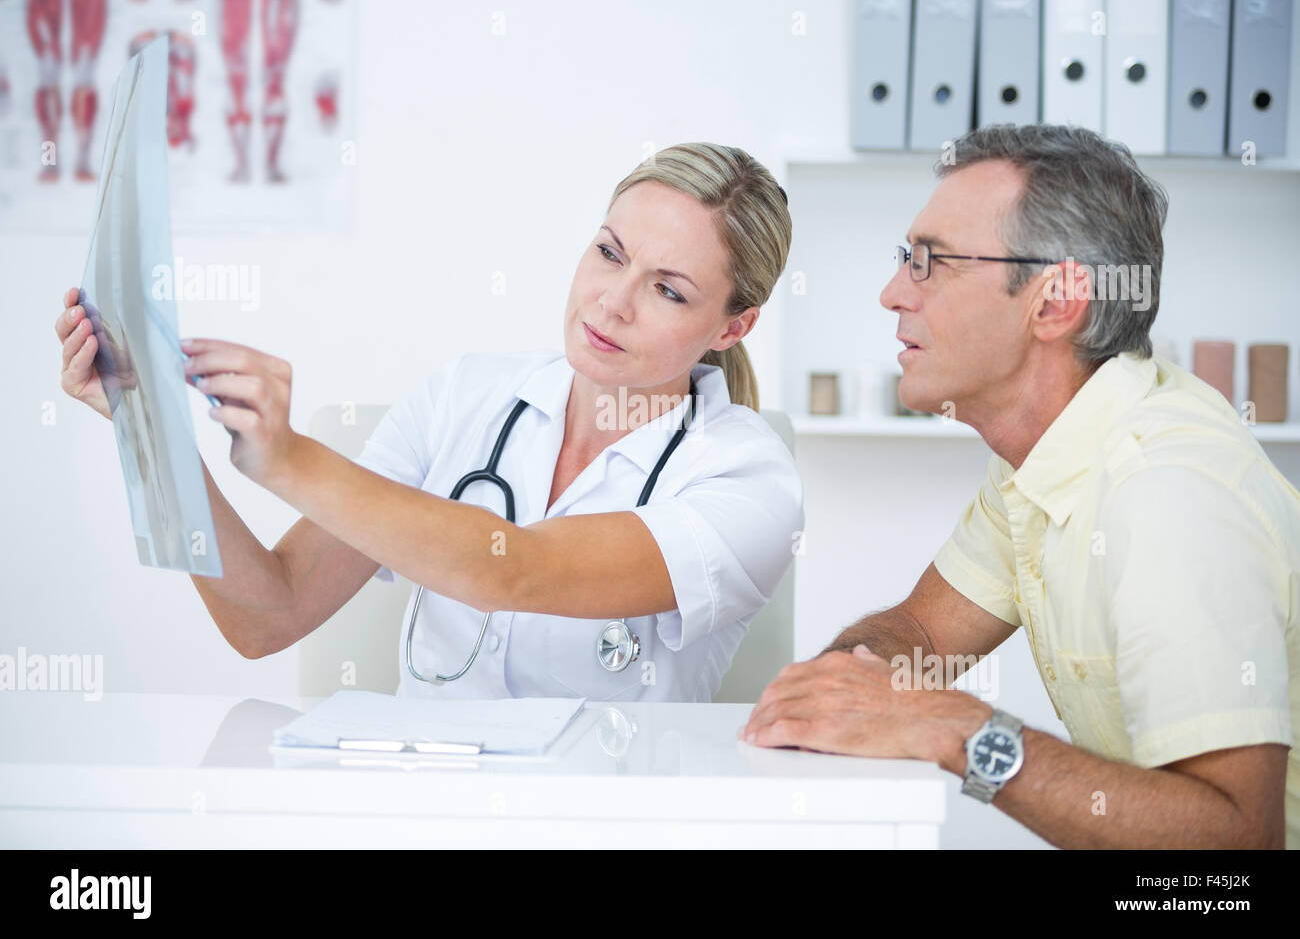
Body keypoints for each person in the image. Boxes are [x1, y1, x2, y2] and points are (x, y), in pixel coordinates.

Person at [56, 141, 804, 703]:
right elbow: (269, 614)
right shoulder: (464, 397)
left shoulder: (747, 478)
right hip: (420, 816)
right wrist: (145, 428)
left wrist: (288, 459)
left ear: (732, 328)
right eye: (609, 253)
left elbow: (512, 567)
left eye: (668, 291)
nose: (613, 301)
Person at [741, 123, 1297, 849]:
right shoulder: (1042, 461)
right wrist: (851, 688)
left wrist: (951, 726)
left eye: (929, 262)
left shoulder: (1166, 491)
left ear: (1054, 301)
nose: (890, 293)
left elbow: (1235, 843)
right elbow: (918, 634)